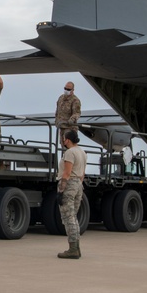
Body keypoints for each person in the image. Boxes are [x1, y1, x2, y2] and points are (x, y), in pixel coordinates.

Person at [56, 130, 87, 259]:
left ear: (67, 139)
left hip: (69, 184)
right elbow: (83, 173)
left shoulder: (69, 152)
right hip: (78, 184)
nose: (63, 141)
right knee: (73, 217)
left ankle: (73, 249)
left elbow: (67, 173)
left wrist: (61, 191)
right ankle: (77, 248)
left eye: (64, 138)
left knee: (69, 218)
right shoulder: (82, 152)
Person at [55, 80, 81, 147]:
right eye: (65, 88)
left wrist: (72, 119)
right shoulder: (61, 98)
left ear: (73, 90)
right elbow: (57, 111)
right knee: (63, 147)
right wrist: (56, 121)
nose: (66, 90)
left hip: (70, 128)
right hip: (61, 127)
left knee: (70, 148)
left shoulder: (75, 100)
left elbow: (77, 113)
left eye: (68, 89)